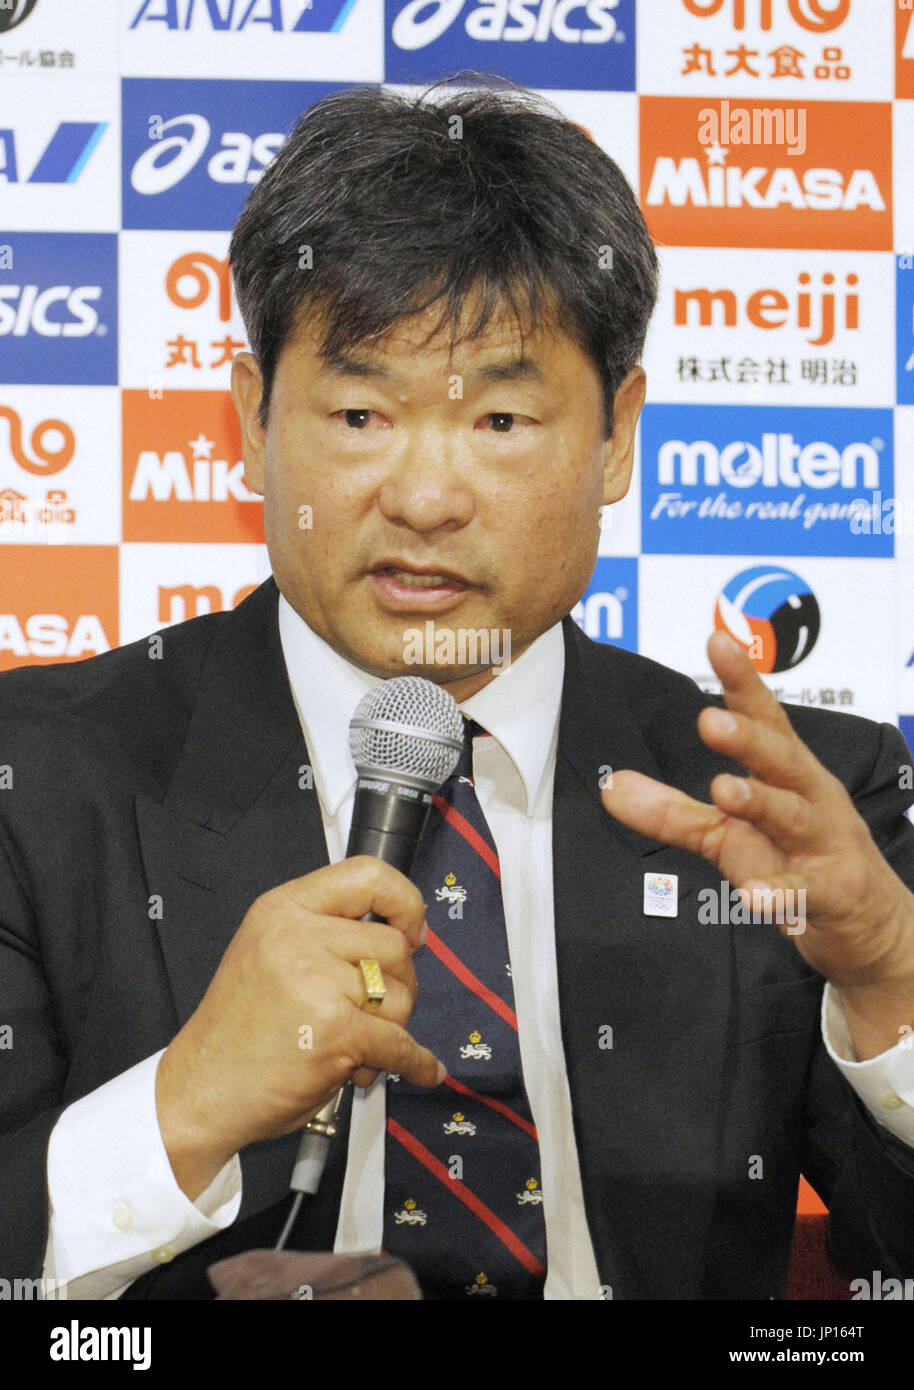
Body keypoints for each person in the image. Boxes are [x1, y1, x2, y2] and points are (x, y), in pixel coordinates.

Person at [2, 76, 914, 1302]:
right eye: (363, 409)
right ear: (251, 414)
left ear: (616, 436)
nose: (425, 498)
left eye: (498, 417)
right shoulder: (40, 783)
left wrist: (889, 978)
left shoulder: (786, 806)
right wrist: (178, 1109)